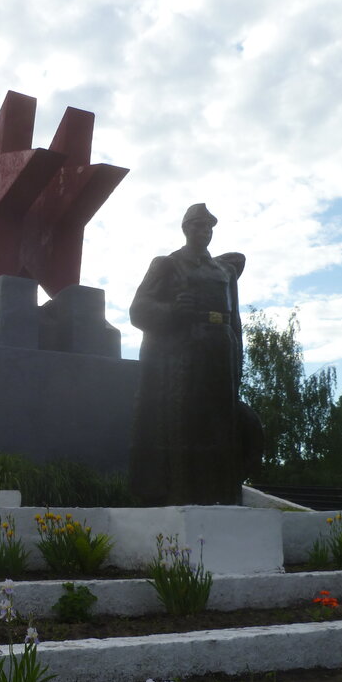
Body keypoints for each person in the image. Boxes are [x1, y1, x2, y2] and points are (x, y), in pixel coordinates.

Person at [129, 203, 258, 505]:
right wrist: (172, 310)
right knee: (182, 422)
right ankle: (180, 492)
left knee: (219, 424)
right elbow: (138, 310)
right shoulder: (167, 265)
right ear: (186, 229)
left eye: (210, 227)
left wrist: (237, 360)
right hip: (182, 354)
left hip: (219, 351)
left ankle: (223, 493)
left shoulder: (224, 270)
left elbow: (234, 320)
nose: (206, 232)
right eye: (199, 226)